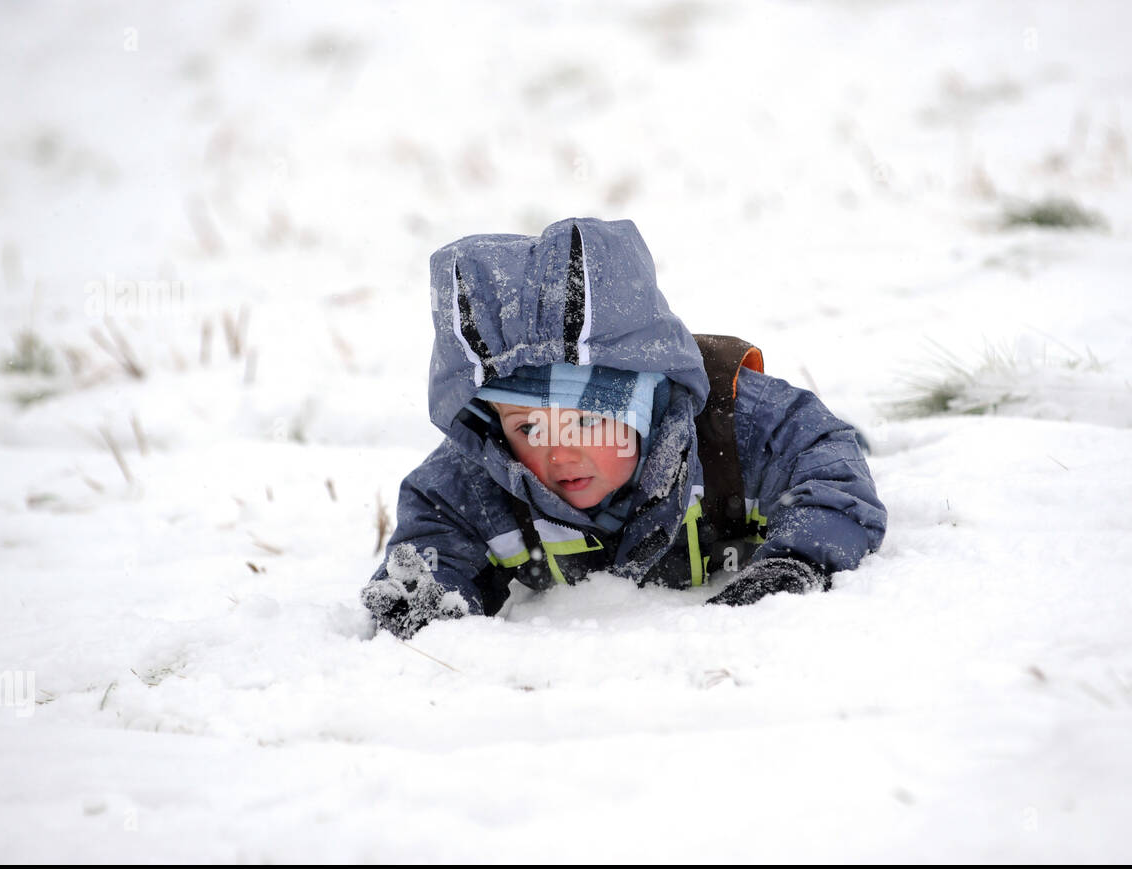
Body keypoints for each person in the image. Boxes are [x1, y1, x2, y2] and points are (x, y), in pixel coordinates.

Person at [362, 217, 887, 639]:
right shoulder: (484, 477)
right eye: (527, 427)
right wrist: (425, 600)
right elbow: (437, 530)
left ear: (643, 406)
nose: (559, 455)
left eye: (588, 421)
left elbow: (828, 471)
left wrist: (793, 562)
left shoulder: (739, 428)